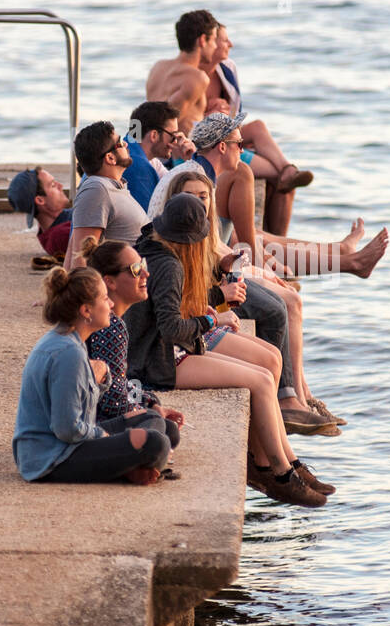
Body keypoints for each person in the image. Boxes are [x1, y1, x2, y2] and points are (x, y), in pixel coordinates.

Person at [124, 194, 334, 506]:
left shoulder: (153, 249)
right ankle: (278, 473)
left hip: (160, 348)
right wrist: (209, 319)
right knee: (261, 381)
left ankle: (282, 461)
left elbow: (172, 310)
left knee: (266, 367)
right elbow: (171, 328)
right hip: (157, 359)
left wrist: (211, 299)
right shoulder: (168, 266)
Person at [160, 169, 346, 432]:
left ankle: (292, 418)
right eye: (189, 196)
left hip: (201, 324)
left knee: (272, 355)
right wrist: (216, 312)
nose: (198, 203)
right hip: (184, 344)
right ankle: (283, 439)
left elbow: (202, 286)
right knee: (272, 336)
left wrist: (225, 273)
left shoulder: (203, 235)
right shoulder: (173, 248)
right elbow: (180, 310)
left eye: (203, 196)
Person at [176, 111, 390, 280]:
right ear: (222, 147)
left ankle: (342, 252)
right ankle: (351, 263)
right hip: (203, 267)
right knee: (255, 241)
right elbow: (224, 248)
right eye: (240, 145)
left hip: (205, 251)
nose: (243, 151)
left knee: (257, 238)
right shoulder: (203, 180)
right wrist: (264, 272)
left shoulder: (194, 172)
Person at [12, 266, 175, 485]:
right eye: (105, 298)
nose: (111, 304)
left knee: (155, 420)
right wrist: (104, 436)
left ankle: (133, 465)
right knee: (157, 443)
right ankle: (131, 466)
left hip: (64, 445)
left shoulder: (67, 341)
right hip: (54, 458)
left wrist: (102, 378)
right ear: (86, 311)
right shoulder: (68, 353)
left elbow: (80, 408)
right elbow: (67, 429)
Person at [200, 22, 312, 236]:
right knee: (279, 177)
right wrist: (209, 116)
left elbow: (237, 116)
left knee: (258, 126)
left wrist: (225, 115)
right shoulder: (195, 78)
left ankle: (288, 173)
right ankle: (286, 172)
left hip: (230, 135)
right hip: (215, 144)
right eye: (224, 40)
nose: (230, 44)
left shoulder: (227, 69)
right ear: (209, 42)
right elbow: (192, 128)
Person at [81, 237, 186, 450]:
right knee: (158, 427)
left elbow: (117, 383)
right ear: (110, 282)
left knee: (166, 428)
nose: (146, 274)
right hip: (91, 424)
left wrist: (150, 402)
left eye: (144, 266)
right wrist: (143, 412)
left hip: (93, 417)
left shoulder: (107, 320)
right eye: (136, 269)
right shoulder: (110, 326)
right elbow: (111, 401)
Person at [64, 121, 150, 269]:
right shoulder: (97, 189)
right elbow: (79, 259)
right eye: (120, 143)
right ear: (110, 158)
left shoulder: (112, 187)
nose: (127, 145)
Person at [145, 9, 220, 134]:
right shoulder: (197, 78)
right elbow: (164, 126)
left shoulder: (158, 67)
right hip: (183, 150)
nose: (215, 46)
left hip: (152, 143)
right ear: (202, 40)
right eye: (213, 40)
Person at [120, 100, 197, 212]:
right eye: (173, 135)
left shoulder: (133, 148)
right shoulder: (137, 165)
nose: (175, 142)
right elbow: (148, 221)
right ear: (154, 135)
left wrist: (191, 160)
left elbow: (176, 186)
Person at [7, 166, 73, 258]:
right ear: (40, 200)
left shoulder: (56, 223)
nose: (60, 186)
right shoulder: (61, 236)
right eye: (53, 185)